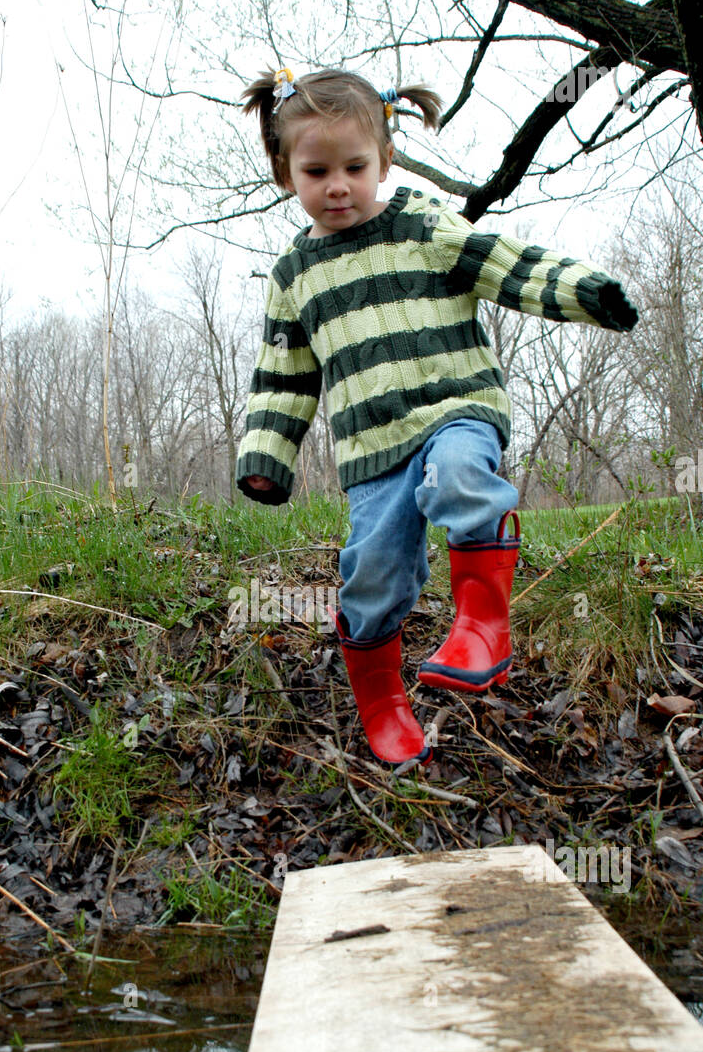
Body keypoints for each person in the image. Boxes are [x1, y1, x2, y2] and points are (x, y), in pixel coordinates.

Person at [235, 65, 638, 767]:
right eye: (316, 170)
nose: (337, 185)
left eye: (355, 167)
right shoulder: (293, 274)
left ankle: (483, 624)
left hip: (457, 408)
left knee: (459, 474)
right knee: (373, 574)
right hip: (370, 448)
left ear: (384, 159)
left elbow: (506, 264)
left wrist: (584, 292)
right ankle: (381, 698)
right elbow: (282, 371)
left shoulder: (422, 223)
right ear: (285, 172)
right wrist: (266, 457)